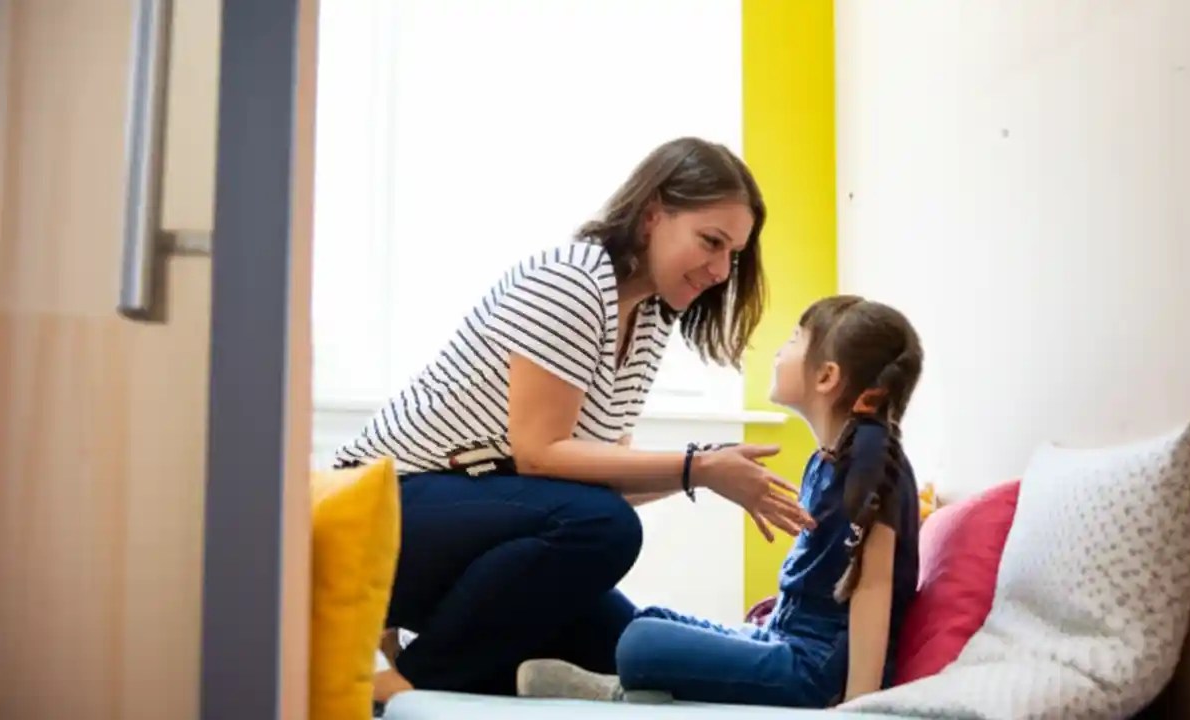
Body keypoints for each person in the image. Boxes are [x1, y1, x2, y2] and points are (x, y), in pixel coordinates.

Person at [330, 137, 816, 702]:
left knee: (626, 643)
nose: (719, 270)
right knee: (606, 531)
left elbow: (601, 483)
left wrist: (705, 472)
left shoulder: (650, 317)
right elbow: (540, 453)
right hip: (382, 513)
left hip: (464, 521)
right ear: (653, 214)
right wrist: (698, 468)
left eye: (732, 254)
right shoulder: (575, 280)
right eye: (711, 241)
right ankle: (409, 688)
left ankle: (441, 667)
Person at [516, 295, 925, 708]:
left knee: (641, 641)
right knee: (650, 620)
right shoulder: (830, 458)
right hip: (784, 639)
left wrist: (857, 704)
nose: (780, 350)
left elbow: (874, 585)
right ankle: (645, 683)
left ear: (826, 377)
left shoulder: (873, 455)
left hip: (814, 669)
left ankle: (619, 692)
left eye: (793, 340)